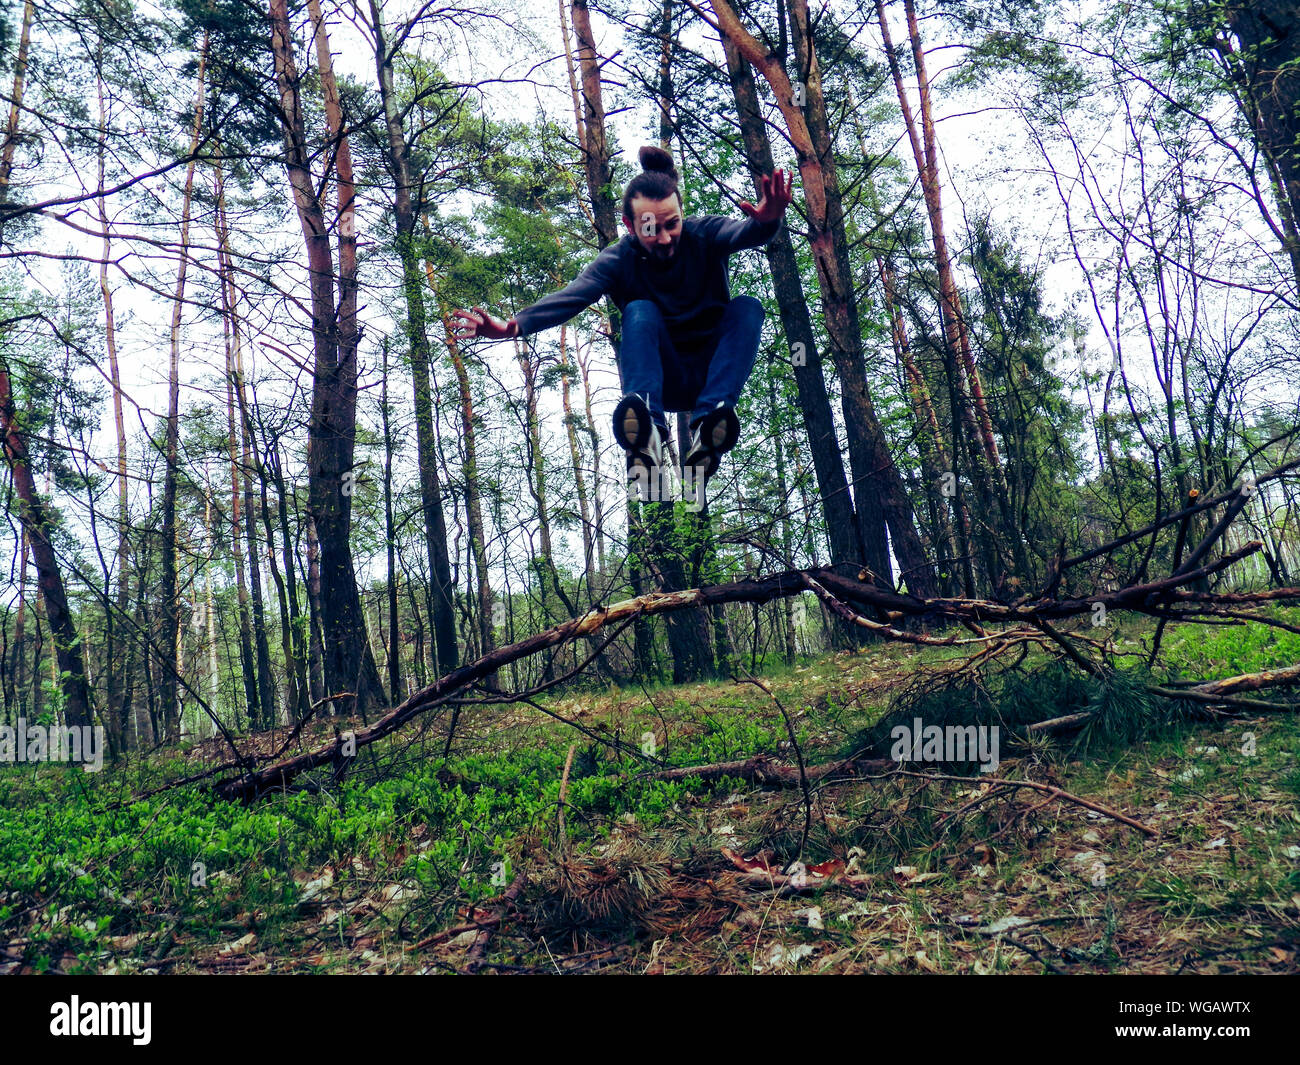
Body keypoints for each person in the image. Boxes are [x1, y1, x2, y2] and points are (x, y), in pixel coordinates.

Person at [452, 145, 792, 505]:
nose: (664, 238)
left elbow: (747, 233)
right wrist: (512, 327)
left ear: (681, 213)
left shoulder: (704, 234)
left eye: (672, 224)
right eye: (650, 229)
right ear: (630, 226)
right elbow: (574, 295)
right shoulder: (618, 259)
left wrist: (767, 219)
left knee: (748, 307)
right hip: (663, 377)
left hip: (712, 373)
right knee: (640, 309)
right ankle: (648, 430)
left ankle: (710, 425)